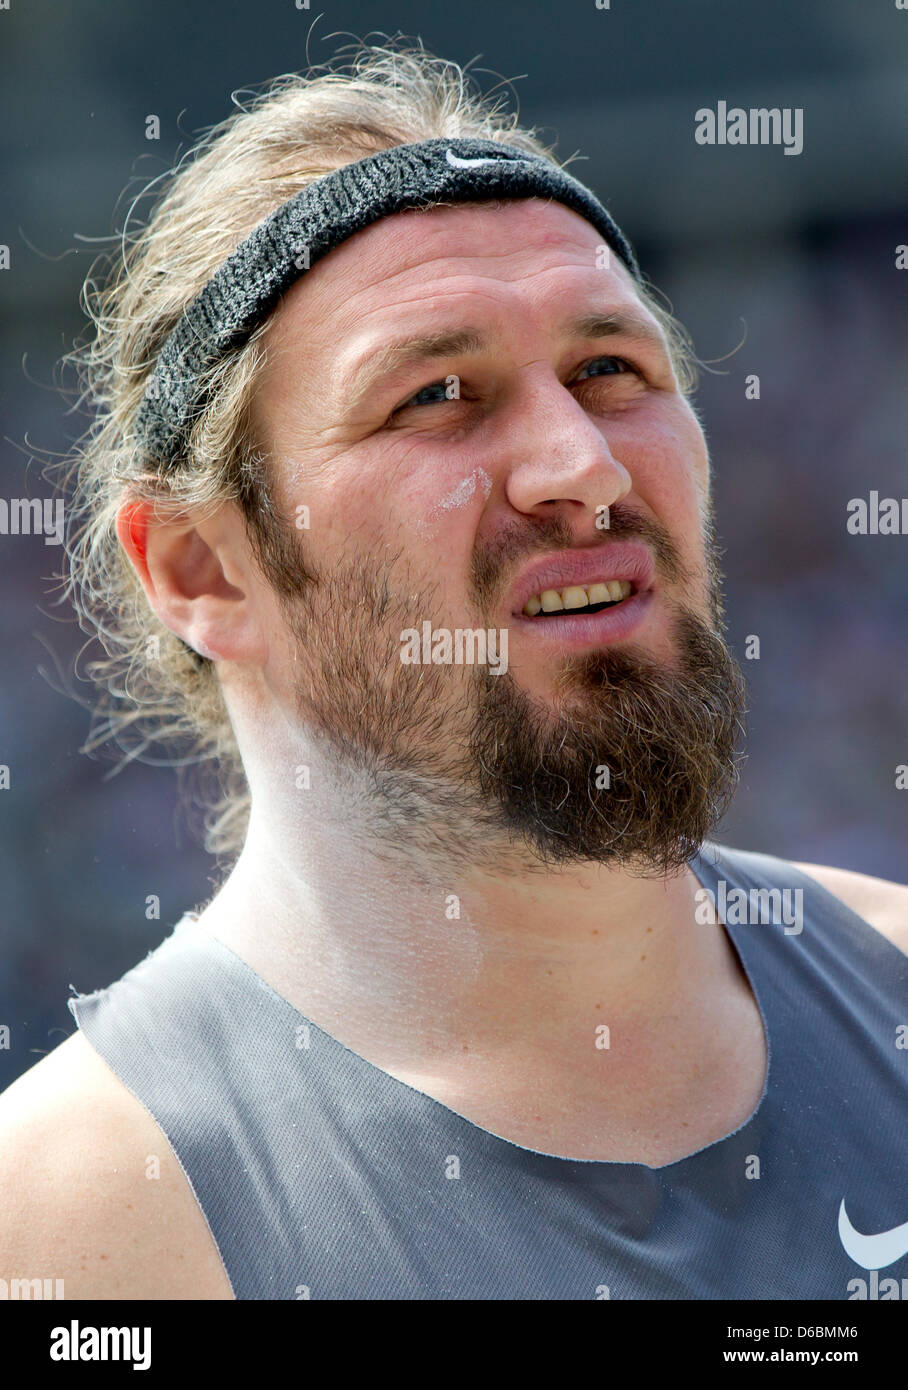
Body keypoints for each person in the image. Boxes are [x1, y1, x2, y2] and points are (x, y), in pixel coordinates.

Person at [1, 43, 905, 1301]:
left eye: (610, 371)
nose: (580, 463)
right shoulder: (76, 1226)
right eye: (436, 393)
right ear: (205, 568)